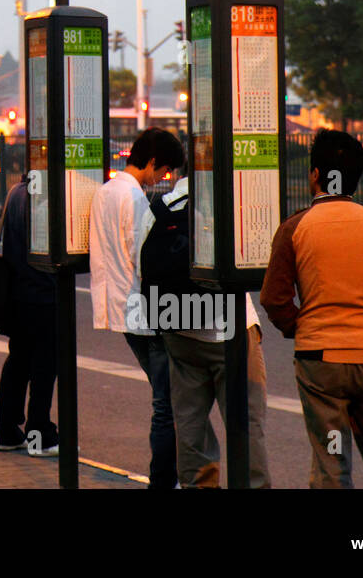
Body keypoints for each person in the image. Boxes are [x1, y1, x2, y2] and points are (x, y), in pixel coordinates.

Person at [260, 129, 363, 489]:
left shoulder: (294, 227)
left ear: (315, 175)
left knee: (332, 461)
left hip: (320, 360)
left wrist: (301, 327)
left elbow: (274, 298)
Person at [153, 164, 271, 488]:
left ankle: (198, 485)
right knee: (245, 422)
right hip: (227, 326)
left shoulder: (163, 205)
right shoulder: (230, 199)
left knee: (189, 421)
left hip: (177, 324)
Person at [87, 127, 185, 489]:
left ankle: (167, 477)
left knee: (164, 397)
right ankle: (164, 479)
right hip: (144, 310)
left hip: (117, 308)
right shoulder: (136, 199)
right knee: (168, 403)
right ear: (153, 161)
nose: (166, 178)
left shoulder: (104, 192)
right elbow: (144, 259)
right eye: (165, 171)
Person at [0, 175, 59, 455]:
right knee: (44, 367)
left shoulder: (16, 191)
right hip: (43, 292)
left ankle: (7, 431)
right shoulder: (45, 195)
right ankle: (39, 434)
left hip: (17, 291)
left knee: (18, 361)